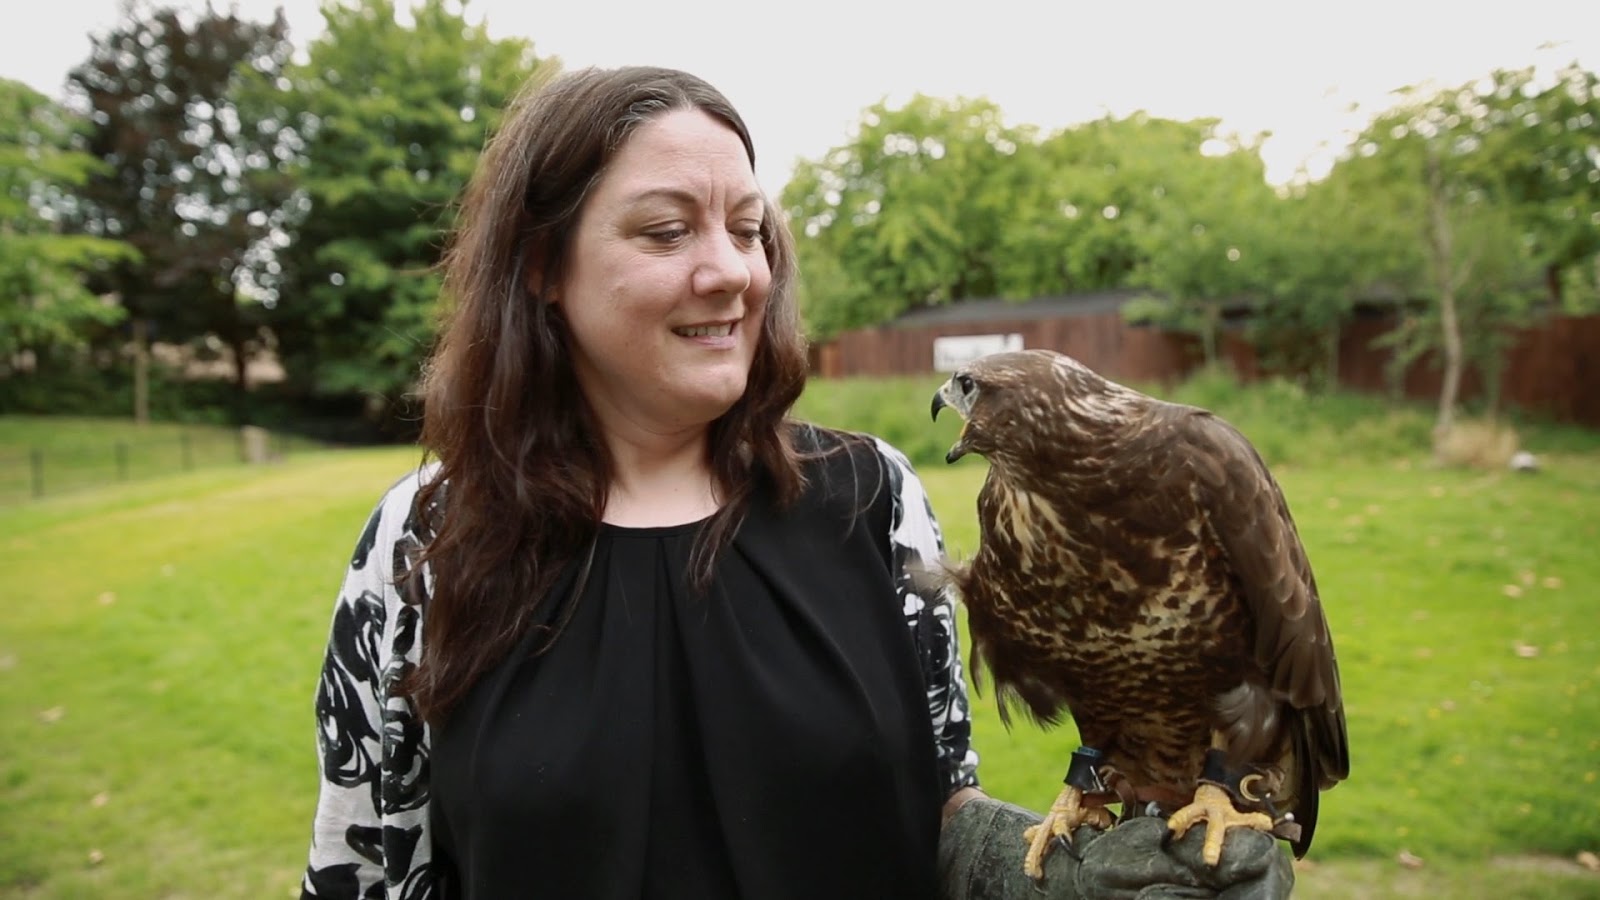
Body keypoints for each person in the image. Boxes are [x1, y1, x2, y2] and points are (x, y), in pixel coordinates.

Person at [298, 65, 1292, 900]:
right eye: (665, 232)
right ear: (539, 266)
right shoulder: (424, 538)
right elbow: (365, 865)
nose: (731, 270)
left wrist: (1027, 872)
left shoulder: (873, 500)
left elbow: (931, 798)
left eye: (746, 227)